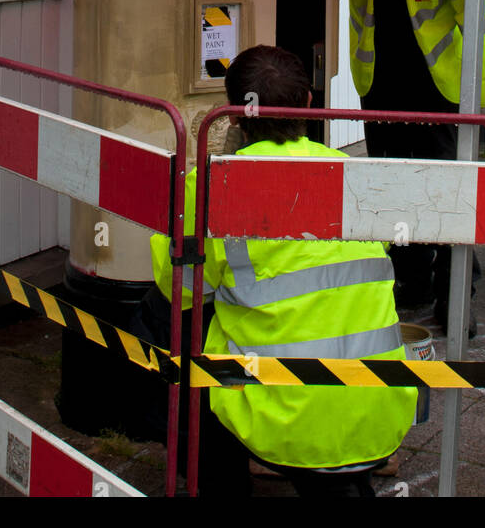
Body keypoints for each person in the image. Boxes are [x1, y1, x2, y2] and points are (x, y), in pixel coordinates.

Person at [150, 44, 417, 497]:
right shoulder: (351, 173)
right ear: (309, 104)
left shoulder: (216, 183)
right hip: (380, 409)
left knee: (160, 327)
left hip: (286, 420)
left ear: (232, 116)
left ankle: (220, 485)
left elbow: (178, 287)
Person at [332, 0, 485, 334]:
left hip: (442, 96)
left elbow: (482, 26)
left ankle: (455, 304)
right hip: (381, 90)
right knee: (392, 193)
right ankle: (410, 287)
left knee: (447, 198)